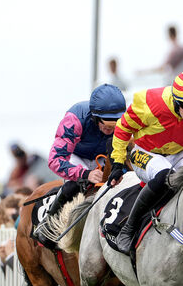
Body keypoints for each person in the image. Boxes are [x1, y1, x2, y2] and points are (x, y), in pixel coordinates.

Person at [107, 70, 183, 250]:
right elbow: (122, 128)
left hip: (180, 152)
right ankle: (129, 228)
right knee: (165, 176)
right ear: (176, 101)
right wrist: (117, 162)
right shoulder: (149, 103)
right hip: (146, 151)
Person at [33, 84, 126, 242]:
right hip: (76, 156)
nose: (111, 129)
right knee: (74, 184)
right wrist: (85, 174)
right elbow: (55, 160)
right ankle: (49, 221)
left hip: (105, 156)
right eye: (107, 124)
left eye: (115, 124)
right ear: (95, 117)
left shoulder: (126, 120)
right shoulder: (75, 119)